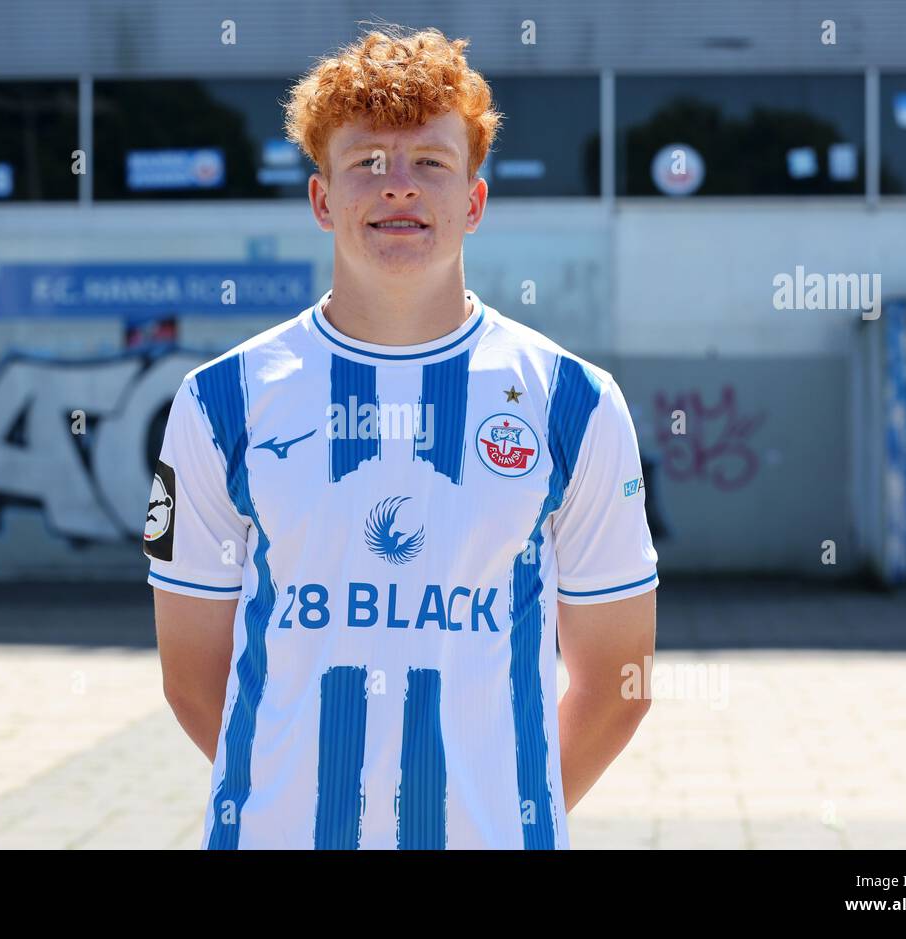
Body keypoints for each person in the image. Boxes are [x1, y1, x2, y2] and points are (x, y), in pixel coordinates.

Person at [144, 24, 658, 850]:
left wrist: (500, 814)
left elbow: (618, 683)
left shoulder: (575, 403)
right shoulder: (220, 402)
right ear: (322, 200)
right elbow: (192, 679)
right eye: (368, 163)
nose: (399, 188)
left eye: (429, 163)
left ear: (473, 202)